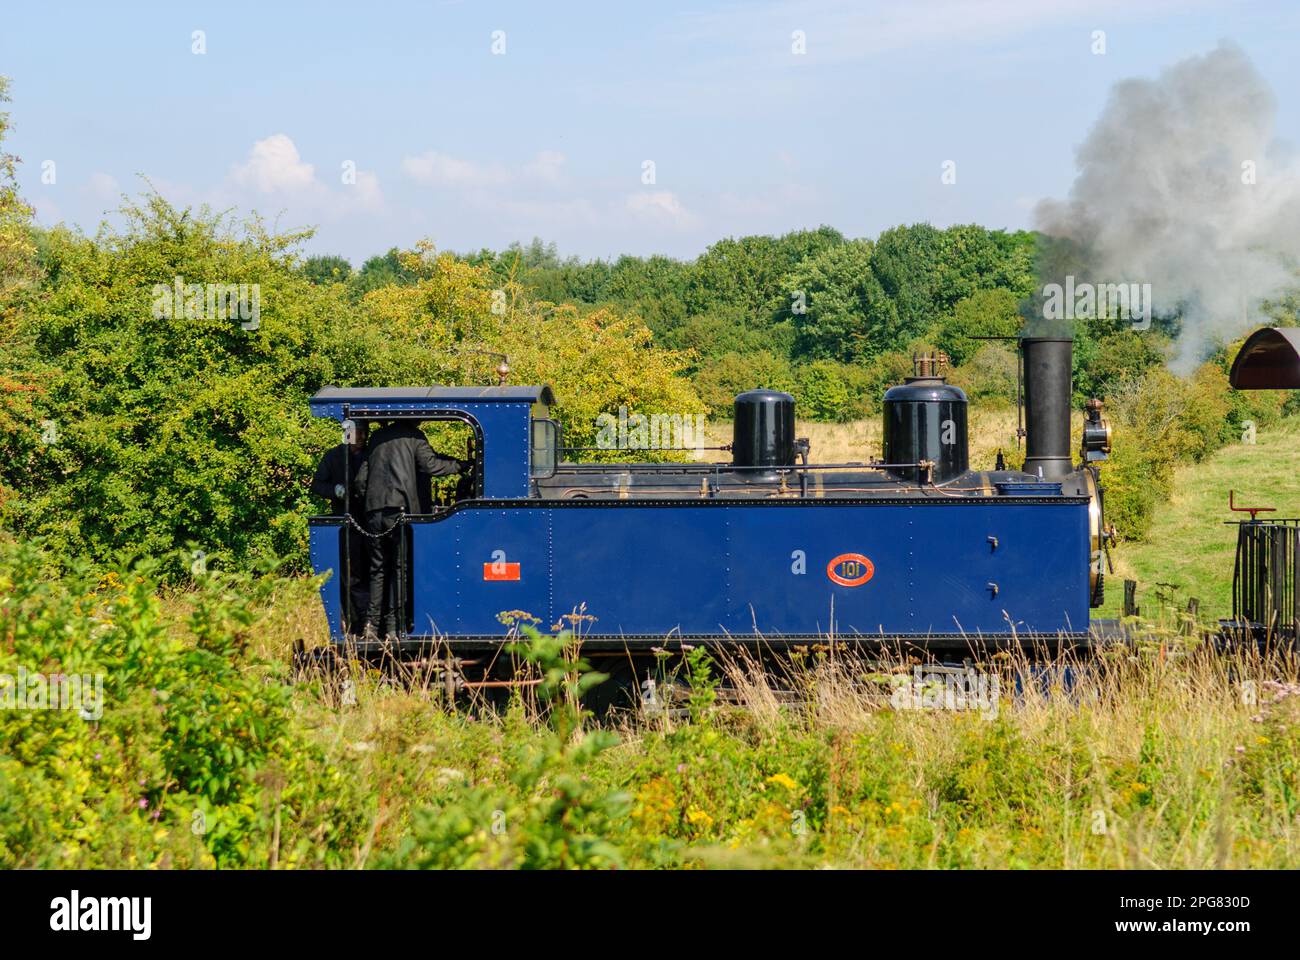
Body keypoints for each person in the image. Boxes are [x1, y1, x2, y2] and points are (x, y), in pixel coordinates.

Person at [354, 420, 469, 641]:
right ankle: (393, 628)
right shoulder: (415, 436)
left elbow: (361, 480)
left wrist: (367, 502)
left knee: (377, 569)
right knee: (400, 568)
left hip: (374, 510)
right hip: (401, 511)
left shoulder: (377, 438)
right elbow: (431, 466)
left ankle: (371, 626)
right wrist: (460, 466)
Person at [310, 420, 370, 633]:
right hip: (346, 523)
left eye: (365, 432)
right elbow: (317, 484)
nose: (362, 437)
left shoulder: (371, 455)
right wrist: (335, 490)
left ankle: (368, 620)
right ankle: (357, 621)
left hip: (370, 522)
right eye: (359, 433)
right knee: (351, 575)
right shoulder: (334, 457)